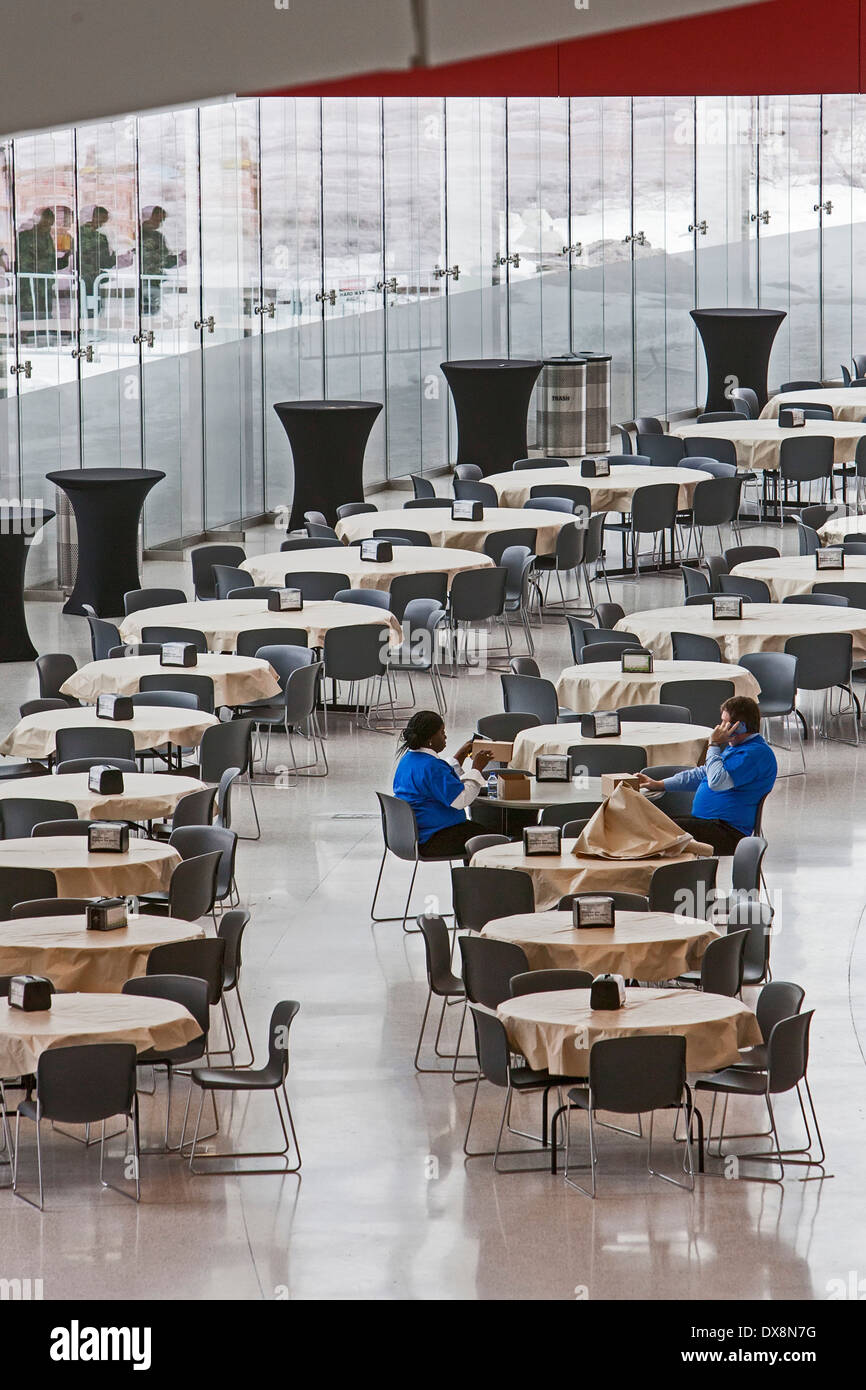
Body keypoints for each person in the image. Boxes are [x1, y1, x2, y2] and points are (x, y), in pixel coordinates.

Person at [638, 695, 776, 855]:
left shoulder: (754, 754)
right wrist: (659, 784)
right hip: (709, 824)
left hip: (727, 832)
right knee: (653, 823)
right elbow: (704, 773)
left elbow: (716, 782)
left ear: (740, 727)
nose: (720, 728)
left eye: (726, 723)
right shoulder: (739, 748)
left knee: (653, 829)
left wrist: (714, 744)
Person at [393, 709, 494, 857]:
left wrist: (460, 756)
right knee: (494, 840)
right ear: (430, 739)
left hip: (415, 835)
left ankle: (471, 877)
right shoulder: (432, 766)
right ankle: (478, 878)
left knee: (478, 832)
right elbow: (460, 800)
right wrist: (477, 768)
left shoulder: (408, 760)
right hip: (435, 837)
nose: (445, 736)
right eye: (441, 732)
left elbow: (440, 782)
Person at [16, 207, 69, 320]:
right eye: (45, 224)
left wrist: (66, 258)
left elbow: (51, 262)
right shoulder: (25, 237)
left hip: (44, 285)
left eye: (50, 225)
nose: (47, 228)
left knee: (44, 315)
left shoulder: (47, 238)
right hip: (29, 286)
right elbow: (25, 262)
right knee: (29, 315)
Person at [140, 204, 181, 314]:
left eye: (161, 220)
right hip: (146, 278)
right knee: (148, 310)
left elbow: (164, 257)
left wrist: (179, 258)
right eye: (157, 219)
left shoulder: (156, 236)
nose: (160, 223)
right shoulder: (141, 235)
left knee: (152, 310)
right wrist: (179, 259)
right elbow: (158, 258)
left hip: (153, 278)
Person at [78, 205, 116, 299]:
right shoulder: (86, 234)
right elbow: (104, 260)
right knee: (90, 307)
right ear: (93, 217)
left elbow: (105, 262)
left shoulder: (99, 235)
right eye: (101, 220)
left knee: (91, 306)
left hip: (93, 277)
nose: (102, 224)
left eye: (104, 221)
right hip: (88, 277)